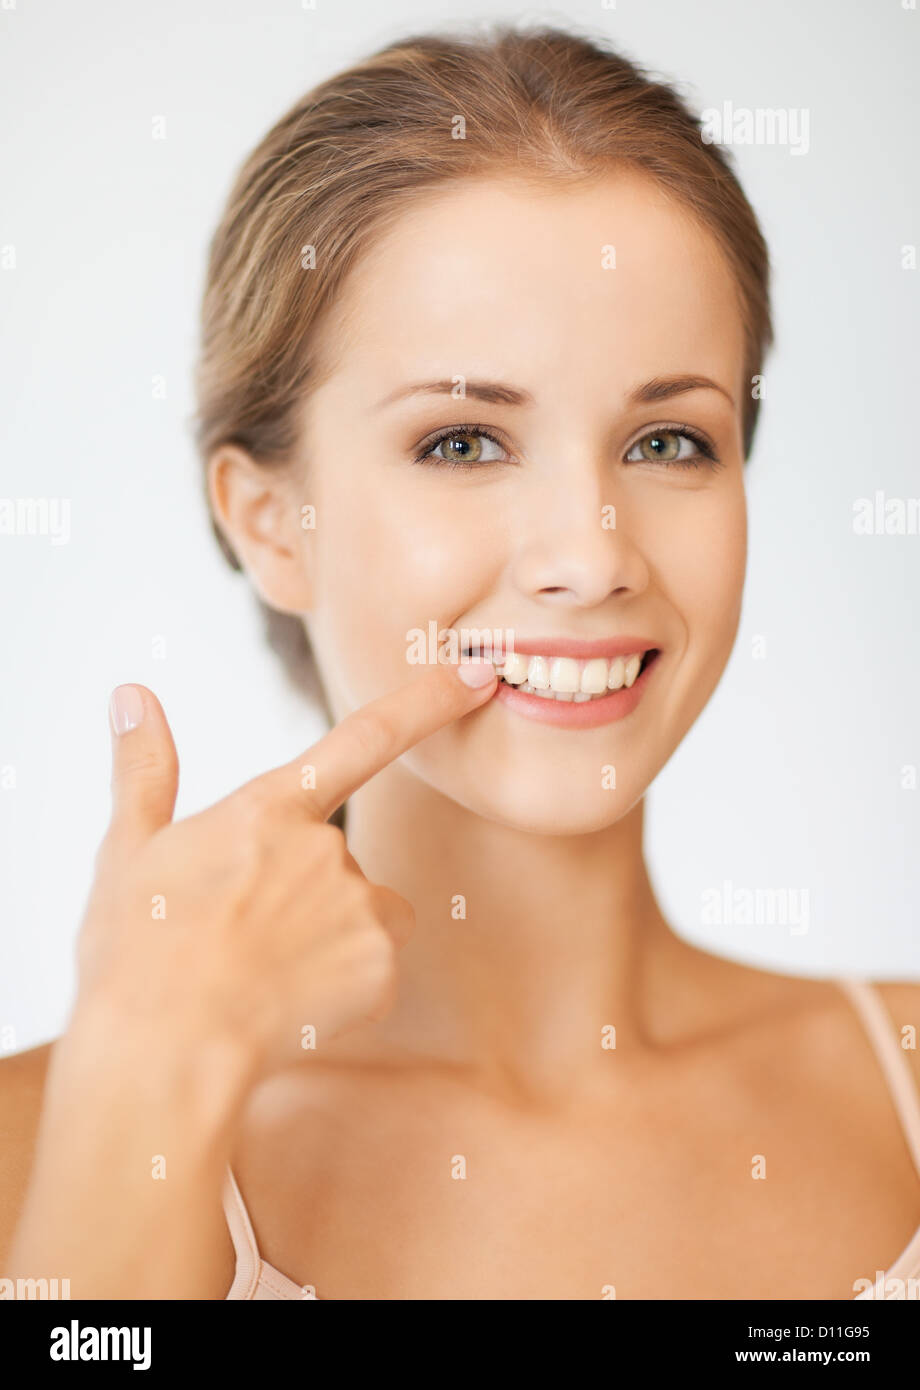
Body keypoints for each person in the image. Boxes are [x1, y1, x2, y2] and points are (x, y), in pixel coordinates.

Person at [3, 24, 918, 1301]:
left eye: (665, 442)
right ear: (270, 521)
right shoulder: (34, 1148)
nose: (591, 557)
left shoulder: (905, 1079)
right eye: (461, 442)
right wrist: (149, 1074)